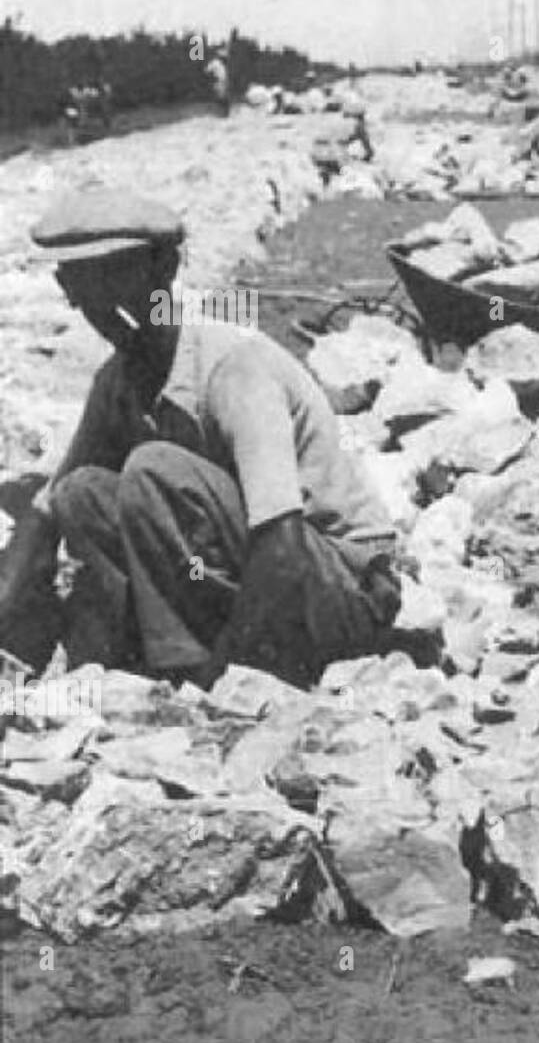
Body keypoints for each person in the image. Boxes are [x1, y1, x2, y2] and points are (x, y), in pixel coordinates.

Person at [0, 190, 402, 690]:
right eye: (90, 289)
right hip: (243, 583)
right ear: (69, 292)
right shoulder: (117, 382)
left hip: (340, 590)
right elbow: (45, 514)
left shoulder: (235, 368)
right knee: (81, 492)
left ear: (165, 270)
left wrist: (231, 675)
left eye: (123, 279)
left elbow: (282, 538)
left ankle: (185, 666)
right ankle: (137, 656)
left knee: (151, 469)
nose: (113, 307)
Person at [206, 50, 230, 117]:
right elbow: (207, 70)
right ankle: (223, 112)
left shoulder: (222, 63)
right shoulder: (216, 62)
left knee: (222, 96)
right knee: (221, 96)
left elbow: (207, 70)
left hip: (222, 81)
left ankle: (224, 112)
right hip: (219, 80)